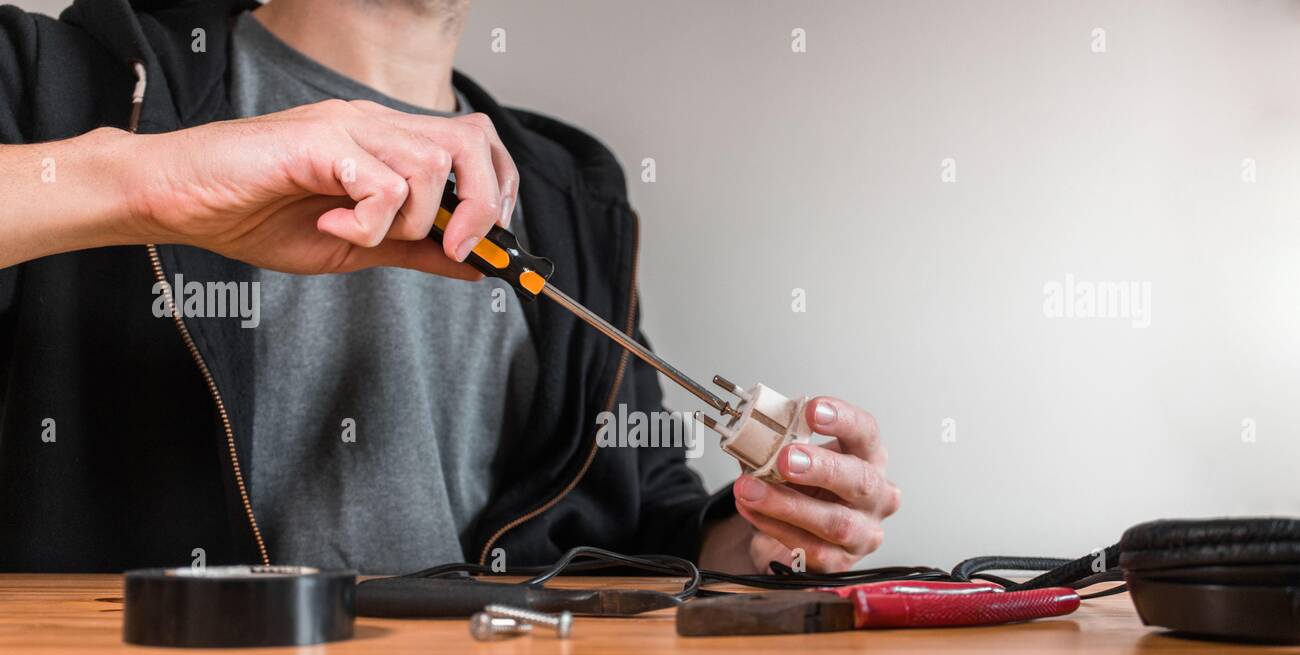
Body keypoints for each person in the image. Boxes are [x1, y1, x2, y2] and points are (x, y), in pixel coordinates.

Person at [0, 0, 899, 574]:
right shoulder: (60, 82)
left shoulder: (567, 189)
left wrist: (762, 536)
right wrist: (137, 184)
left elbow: (640, 511)